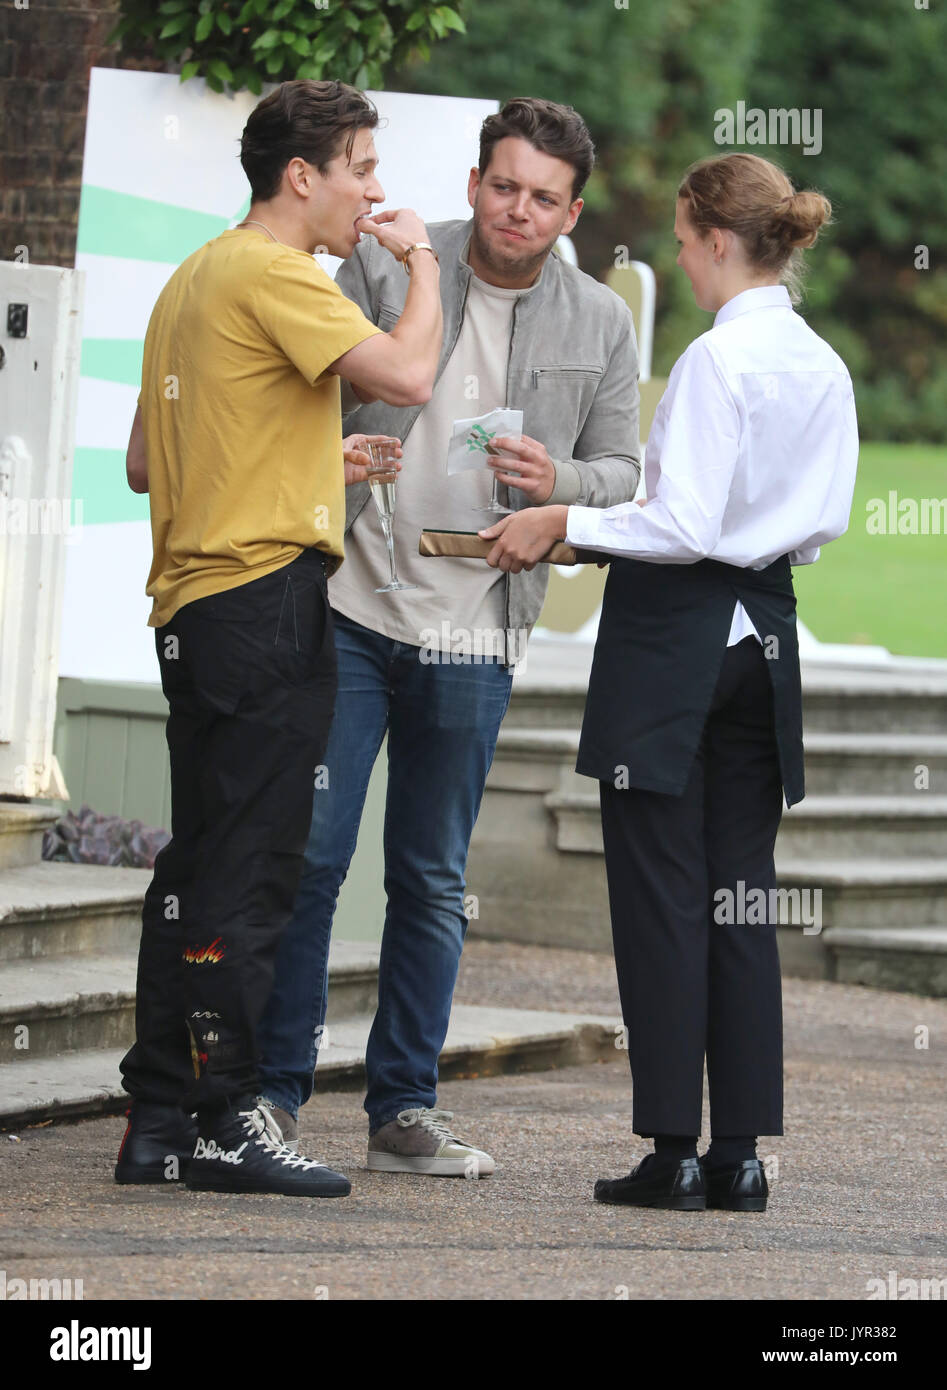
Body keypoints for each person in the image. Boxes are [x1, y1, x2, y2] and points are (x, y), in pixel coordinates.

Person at [256, 97, 641, 1176]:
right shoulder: (389, 267)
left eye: (544, 197)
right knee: (315, 857)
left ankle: (403, 1108)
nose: (518, 209)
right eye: (503, 185)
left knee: (430, 875)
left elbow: (623, 473)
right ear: (475, 184)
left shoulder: (599, 323)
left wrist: (555, 490)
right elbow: (294, 392)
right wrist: (339, 455)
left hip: (480, 628)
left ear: (572, 213)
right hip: (351, 606)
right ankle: (275, 1095)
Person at [481, 152, 858, 1210]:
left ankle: (669, 1153)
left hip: (676, 642)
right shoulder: (823, 364)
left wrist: (564, 520)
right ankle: (737, 1154)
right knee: (738, 896)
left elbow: (681, 525)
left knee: (658, 897)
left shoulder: (712, 361)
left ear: (713, 238)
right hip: (766, 638)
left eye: (685, 243)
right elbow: (817, 527)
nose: (683, 262)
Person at [114, 79, 444, 1197]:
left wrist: (310, 459)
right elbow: (406, 374)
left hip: (194, 612)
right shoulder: (275, 271)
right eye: (358, 165)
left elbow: (150, 463)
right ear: (299, 177)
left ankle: (157, 1118)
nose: (373, 189)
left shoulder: (193, 277)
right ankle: (225, 1118)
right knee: (251, 879)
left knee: (197, 868)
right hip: (262, 609)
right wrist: (425, 271)